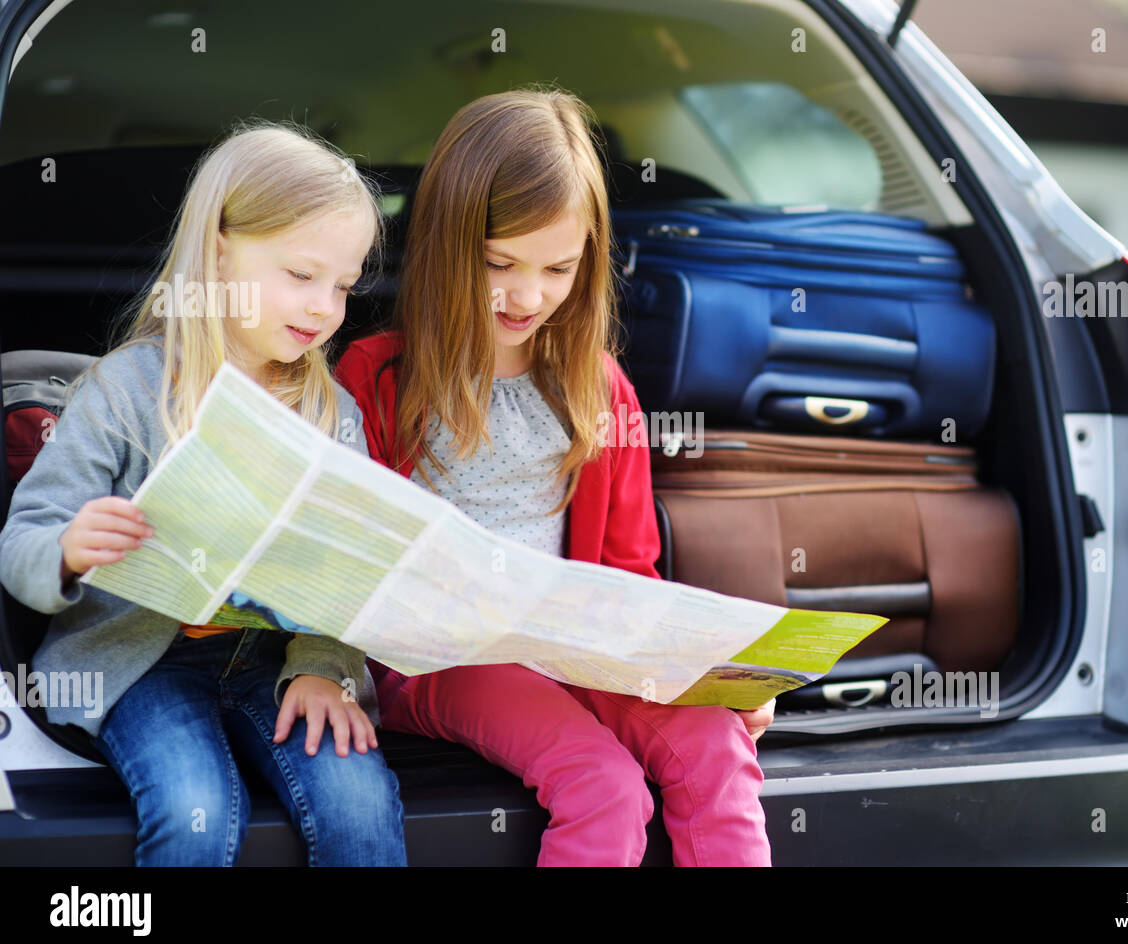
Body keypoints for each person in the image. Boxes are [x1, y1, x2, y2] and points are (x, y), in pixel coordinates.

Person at [336, 88, 775, 867]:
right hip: (439, 661)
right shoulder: (378, 377)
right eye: (498, 263)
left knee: (717, 746)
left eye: (558, 268)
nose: (528, 295)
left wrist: (706, 676)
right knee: (604, 786)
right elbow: (346, 561)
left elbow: (630, 574)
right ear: (445, 245)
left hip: (578, 649)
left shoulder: (599, 389)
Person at [0, 122, 407, 866]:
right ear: (218, 251)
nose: (324, 307)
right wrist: (66, 551)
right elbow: (24, 537)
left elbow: (351, 565)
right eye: (301, 274)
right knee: (195, 811)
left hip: (275, 658)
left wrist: (322, 667)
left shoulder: (330, 410)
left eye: (344, 286)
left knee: (360, 803)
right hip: (137, 664)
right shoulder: (126, 390)